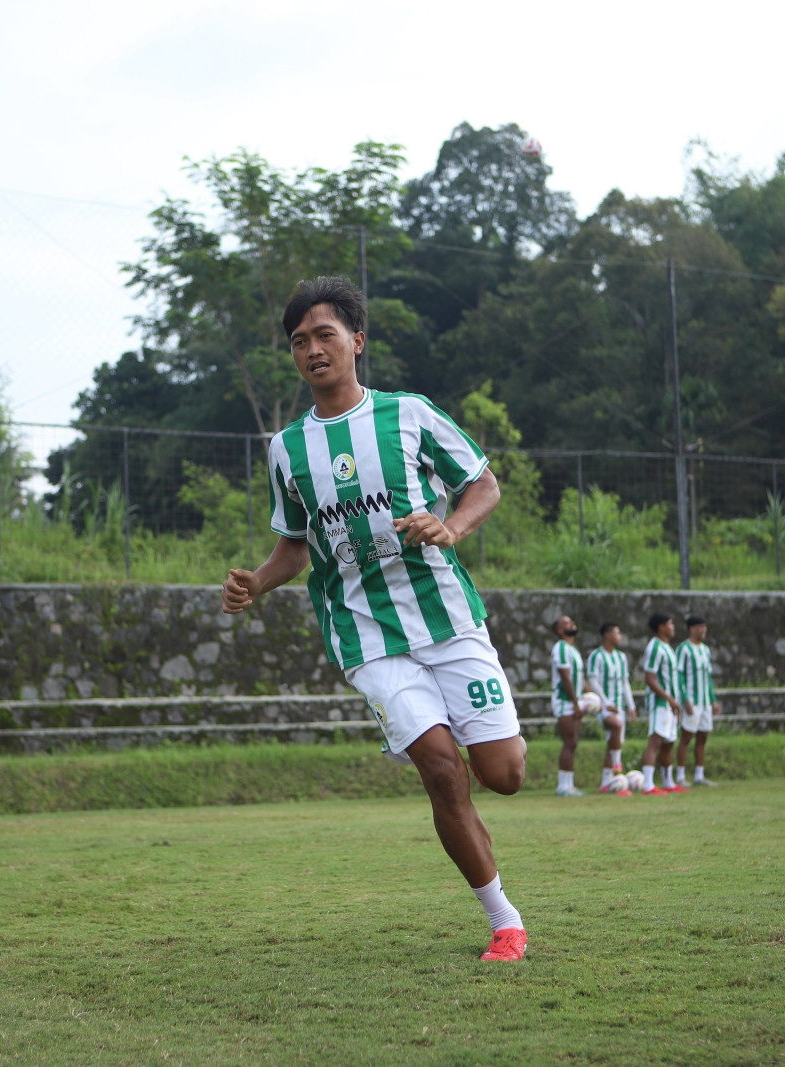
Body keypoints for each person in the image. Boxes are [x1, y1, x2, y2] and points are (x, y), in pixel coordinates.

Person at [221, 276, 530, 962]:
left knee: (504, 773)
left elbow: (483, 484)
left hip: (447, 619)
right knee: (441, 771)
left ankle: (482, 748)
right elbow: (295, 546)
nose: (311, 349)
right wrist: (256, 583)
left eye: (324, 335)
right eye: (298, 341)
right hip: (365, 634)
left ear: (357, 341)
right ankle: (504, 921)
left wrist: (450, 526)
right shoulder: (285, 448)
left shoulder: (409, 414)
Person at [585, 622, 636, 793]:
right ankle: (617, 768)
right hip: (604, 707)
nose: (619, 637)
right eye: (617, 633)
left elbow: (625, 683)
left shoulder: (621, 657)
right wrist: (606, 703)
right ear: (607, 635)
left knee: (613, 742)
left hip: (619, 707)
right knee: (616, 725)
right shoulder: (597, 656)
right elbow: (594, 682)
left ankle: (606, 782)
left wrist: (631, 705)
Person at [674, 615, 722, 787]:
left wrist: (713, 700)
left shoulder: (705, 650)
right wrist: (685, 699)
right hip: (692, 701)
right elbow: (679, 675)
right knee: (686, 737)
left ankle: (699, 776)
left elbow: (707, 677)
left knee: (703, 737)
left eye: (705, 627)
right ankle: (680, 776)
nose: (703, 630)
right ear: (692, 629)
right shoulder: (684, 649)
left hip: (705, 701)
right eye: (700, 627)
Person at [639, 613, 683, 795]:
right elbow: (650, 679)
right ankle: (648, 785)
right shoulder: (655, 648)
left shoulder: (667, 648)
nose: (673, 627)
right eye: (670, 624)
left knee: (668, 743)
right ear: (661, 627)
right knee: (655, 741)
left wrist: (676, 701)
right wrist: (669, 699)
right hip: (660, 703)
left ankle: (668, 782)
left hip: (670, 704)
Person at [549, 615, 588, 797]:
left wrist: (589, 695)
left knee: (573, 742)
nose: (572, 624)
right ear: (559, 630)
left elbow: (578, 678)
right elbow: (565, 677)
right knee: (569, 741)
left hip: (574, 701)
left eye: (572, 621)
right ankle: (563, 786)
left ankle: (569, 785)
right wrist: (575, 703)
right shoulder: (561, 648)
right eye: (566, 623)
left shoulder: (573, 650)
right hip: (565, 701)